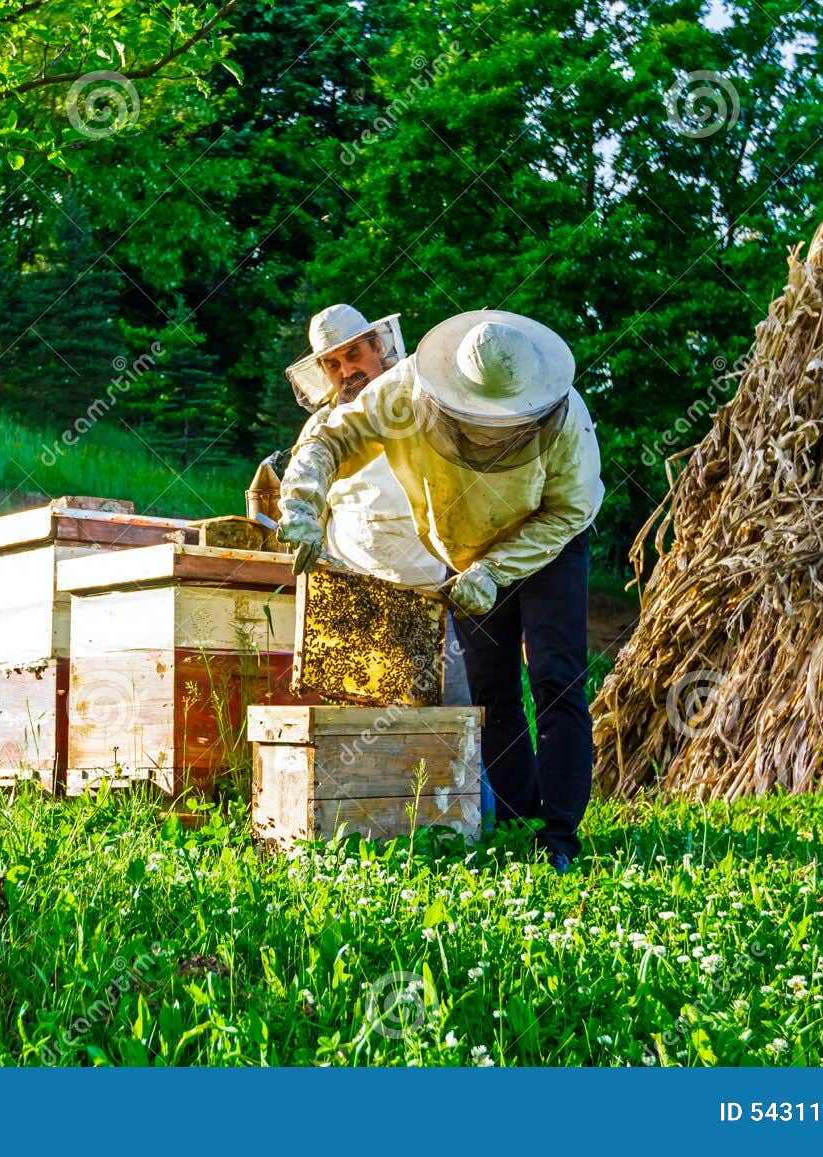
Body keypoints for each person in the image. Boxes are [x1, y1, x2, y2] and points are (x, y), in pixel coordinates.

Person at [277, 310, 603, 873]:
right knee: (490, 694)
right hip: (466, 553)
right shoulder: (403, 393)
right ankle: (518, 824)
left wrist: (497, 571)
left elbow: (571, 509)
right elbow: (332, 438)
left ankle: (559, 837)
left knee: (556, 676)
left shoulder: (566, 416)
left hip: (547, 546)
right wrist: (303, 501)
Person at [257, 304, 470, 704]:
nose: (345, 371)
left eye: (353, 355)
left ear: (379, 347)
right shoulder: (321, 431)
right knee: (361, 734)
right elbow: (308, 514)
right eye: (332, 364)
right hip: (355, 606)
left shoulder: (422, 405)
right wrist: (301, 521)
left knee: (457, 731)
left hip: (438, 598)